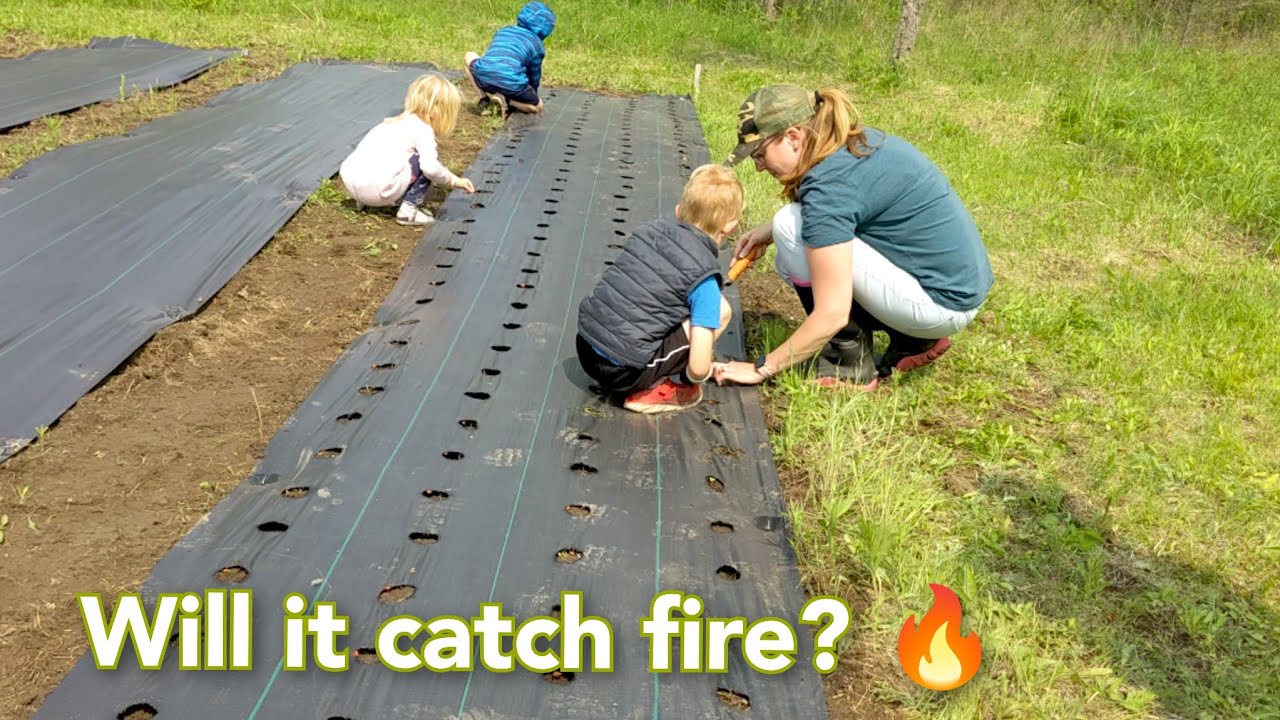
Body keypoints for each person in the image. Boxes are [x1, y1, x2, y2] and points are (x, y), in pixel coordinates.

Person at [715, 84, 993, 390]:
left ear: (794, 137)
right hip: (955, 289)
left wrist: (761, 369)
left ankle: (850, 364)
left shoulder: (829, 187)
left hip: (941, 303)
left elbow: (832, 313)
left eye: (760, 154)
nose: (758, 167)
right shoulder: (853, 143)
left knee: (790, 227)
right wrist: (766, 234)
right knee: (790, 231)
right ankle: (914, 339)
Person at [576, 165, 744, 414]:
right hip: (623, 371)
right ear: (730, 226)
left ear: (678, 211)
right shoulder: (705, 276)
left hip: (585, 345)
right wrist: (703, 371)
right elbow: (699, 368)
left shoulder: (648, 232)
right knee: (721, 311)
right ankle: (666, 390)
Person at [338, 73, 475, 227]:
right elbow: (430, 168)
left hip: (353, 187)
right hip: (377, 191)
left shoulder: (390, 123)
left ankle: (367, 201)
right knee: (427, 164)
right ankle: (407, 212)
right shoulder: (422, 129)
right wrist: (453, 180)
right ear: (438, 111)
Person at [463, 1, 556, 117]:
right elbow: (534, 75)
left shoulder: (504, 30)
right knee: (537, 106)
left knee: (469, 55)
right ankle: (507, 101)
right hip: (513, 86)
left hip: (485, 76)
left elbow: (493, 54)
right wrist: (533, 93)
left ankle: (484, 99)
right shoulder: (537, 45)